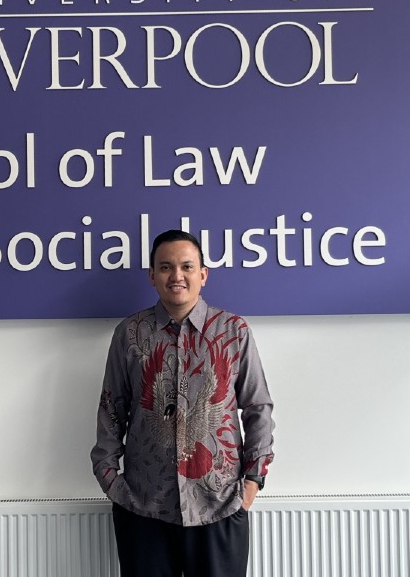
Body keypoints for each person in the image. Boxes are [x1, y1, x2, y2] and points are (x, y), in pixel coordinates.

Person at [91, 229, 275, 577]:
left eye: (187, 266)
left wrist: (252, 482)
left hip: (218, 505)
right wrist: (110, 479)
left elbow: (257, 408)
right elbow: (111, 406)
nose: (177, 276)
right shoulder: (130, 333)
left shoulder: (233, 332)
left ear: (203, 274)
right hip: (144, 506)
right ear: (152, 276)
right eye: (166, 267)